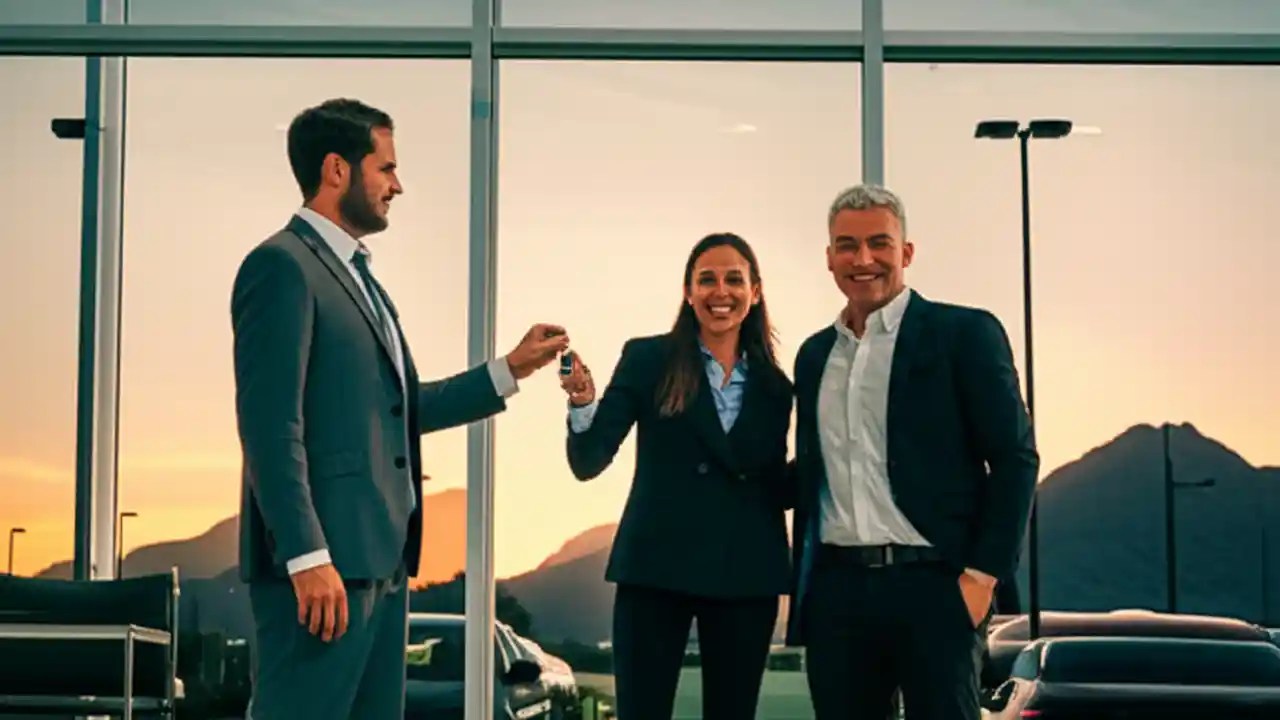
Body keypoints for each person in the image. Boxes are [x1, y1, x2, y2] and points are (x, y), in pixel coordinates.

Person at [231, 98, 568, 720]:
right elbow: (270, 428)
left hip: (381, 566)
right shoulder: (281, 267)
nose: (398, 185)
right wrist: (307, 556)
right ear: (337, 170)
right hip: (324, 572)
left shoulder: (361, 278)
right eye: (385, 167)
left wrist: (509, 369)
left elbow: (403, 408)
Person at [785, 184, 1038, 720]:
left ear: (907, 252)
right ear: (829, 256)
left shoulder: (963, 334)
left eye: (880, 242)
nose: (864, 259)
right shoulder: (814, 356)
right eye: (847, 245)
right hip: (838, 594)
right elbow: (813, 470)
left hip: (935, 589)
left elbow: (1015, 458)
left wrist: (981, 578)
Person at [558, 232, 794, 720]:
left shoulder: (776, 387)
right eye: (706, 279)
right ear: (688, 292)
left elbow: (775, 485)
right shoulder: (648, 359)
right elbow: (589, 460)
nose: (720, 292)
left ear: (756, 291)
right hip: (655, 570)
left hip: (745, 575)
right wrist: (583, 402)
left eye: (734, 279)